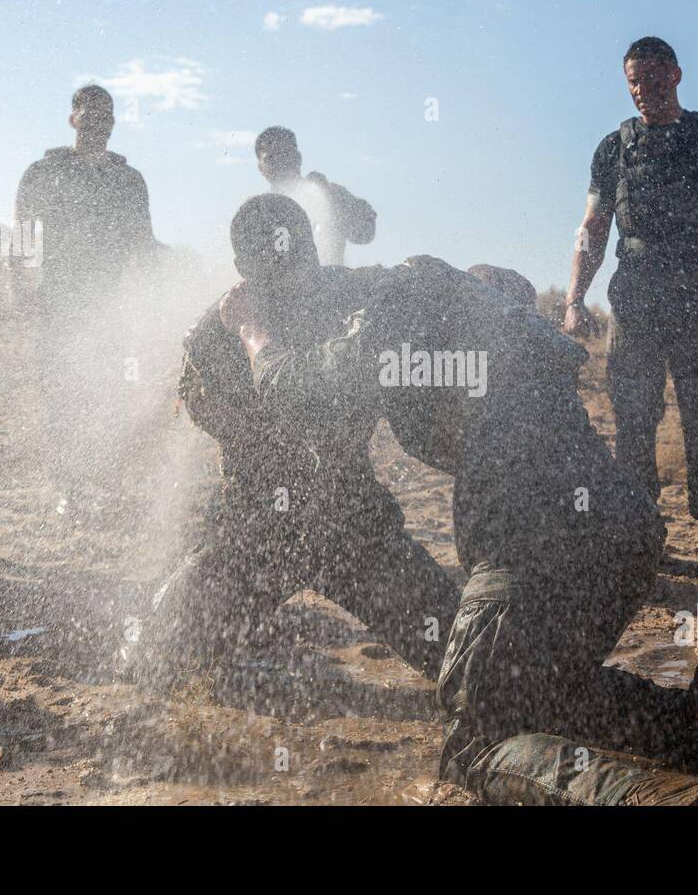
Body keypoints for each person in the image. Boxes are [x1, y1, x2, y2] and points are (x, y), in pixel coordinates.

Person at [220, 194, 698, 805]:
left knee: (475, 744)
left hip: (528, 545)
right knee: (544, 695)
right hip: (624, 531)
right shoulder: (469, 306)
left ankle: (657, 798)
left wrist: (256, 336)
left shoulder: (394, 308)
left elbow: (298, 390)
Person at [127, 264, 461, 684]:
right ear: (245, 268)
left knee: (467, 659)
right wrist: (258, 437)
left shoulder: (349, 295)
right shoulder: (220, 322)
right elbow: (198, 399)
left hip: (348, 525)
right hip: (263, 530)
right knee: (160, 656)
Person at [562, 37, 698, 570]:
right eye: (634, 80)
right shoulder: (614, 147)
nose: (644, 90)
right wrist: (574, 298)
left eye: (655, 78)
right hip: (635, 295)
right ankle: (639, 533)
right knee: (633, 414)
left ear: (677, 75)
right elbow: (593, 229)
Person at [13, 85, 160, 516]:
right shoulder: (44, 172)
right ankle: (70, 488)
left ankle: (99, 481)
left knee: (107, 393)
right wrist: (18, 286)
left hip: (110, 305)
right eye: (91, 114)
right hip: (58, 299)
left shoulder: (128, 180)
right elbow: (22, 235)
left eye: (108, 116)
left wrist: (170, 283)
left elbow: (143, 245)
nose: (101, 123)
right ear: (72, 118)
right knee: (62, 394)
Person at [255, 126, 376, 267]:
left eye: (285, 154)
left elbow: (366, 233)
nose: (279, 162)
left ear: (298, 158)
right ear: (260, 168)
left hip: (330, 285)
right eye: (270, 158)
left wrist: (329, 199)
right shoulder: (257, 212)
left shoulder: (329, 193)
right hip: (277, 288)